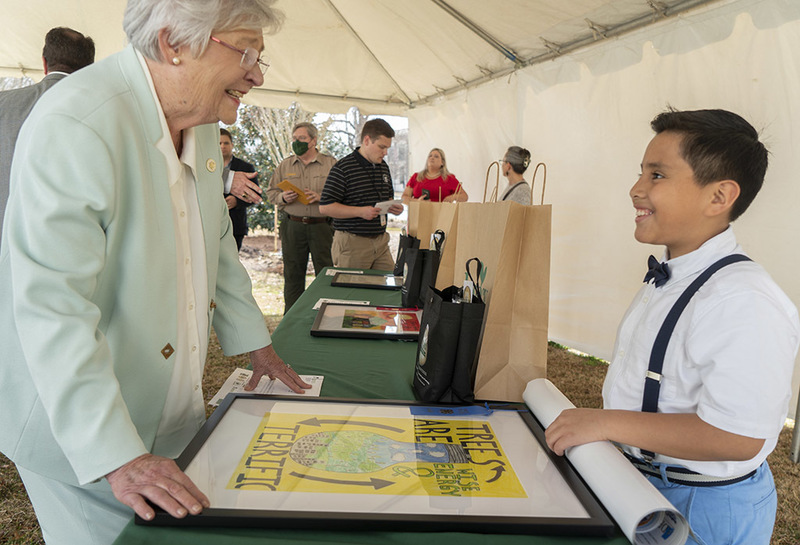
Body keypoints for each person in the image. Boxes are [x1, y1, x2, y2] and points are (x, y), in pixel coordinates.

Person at [0, 1, 312, 544]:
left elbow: (215, 243)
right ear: (172, 44)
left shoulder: (200, 123)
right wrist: (116, 454)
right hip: (82, 434)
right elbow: (53, 305)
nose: (258, 74)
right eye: (246, 52)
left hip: (163, 412)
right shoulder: (78, 121)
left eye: (261, 56)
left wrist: (256, 345)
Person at [545, 109, 800, 545]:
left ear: (719, 197)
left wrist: (604, 423)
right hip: (643, 488)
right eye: (642, 172)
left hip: (699, 506)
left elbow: (736, 437)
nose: (636, 189)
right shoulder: (674, 274)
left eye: (657, 175)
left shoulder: (743, 299)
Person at [0, 27, 95, 237]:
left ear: (44, 63)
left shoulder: (3, 104)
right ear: (89, 68)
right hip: (66, 247)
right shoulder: (103, 111)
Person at [265, 122, 337, 312]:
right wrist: (283, 197)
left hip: (323, 227)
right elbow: (271, 192)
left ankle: (327, 316)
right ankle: (291, 319)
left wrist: (322, 198)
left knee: (326, 274)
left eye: (302, 139)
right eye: (295, 139)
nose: (297, 142)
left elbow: (343, 194)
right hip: (293, 226)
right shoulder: (285, 164)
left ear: (313, 140)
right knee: (293, 276)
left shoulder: (330, 164)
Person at [319, 118, 404, 270]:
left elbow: (387, 197)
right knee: (353, 291)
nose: (385, 153)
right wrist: (360, 212)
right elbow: (325, 207)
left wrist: (393, 206)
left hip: (381, 242)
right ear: (366, 140)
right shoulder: (343, 168)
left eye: (387, 148)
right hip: (352, 243)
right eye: (381, 147)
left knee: (391, 286)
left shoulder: (383, 166)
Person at [220, 128, 258, 250]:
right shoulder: (206, 167)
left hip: (235, 224)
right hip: (211, 225)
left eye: (226, 143)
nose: (222, 146)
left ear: (232, 145)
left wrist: (237, 201)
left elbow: (255, 194)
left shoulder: (245, 167)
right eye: (219, 143)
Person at [401, 148, 467, 203]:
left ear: (442, 162)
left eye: (436, 156)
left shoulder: (449, 178)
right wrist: (417, 201)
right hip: (418, 215)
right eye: (430, 156)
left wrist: (453, 197)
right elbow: (404, 197)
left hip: (441, 215)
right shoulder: (416, 177)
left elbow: (464, 197)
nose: (432, 158)